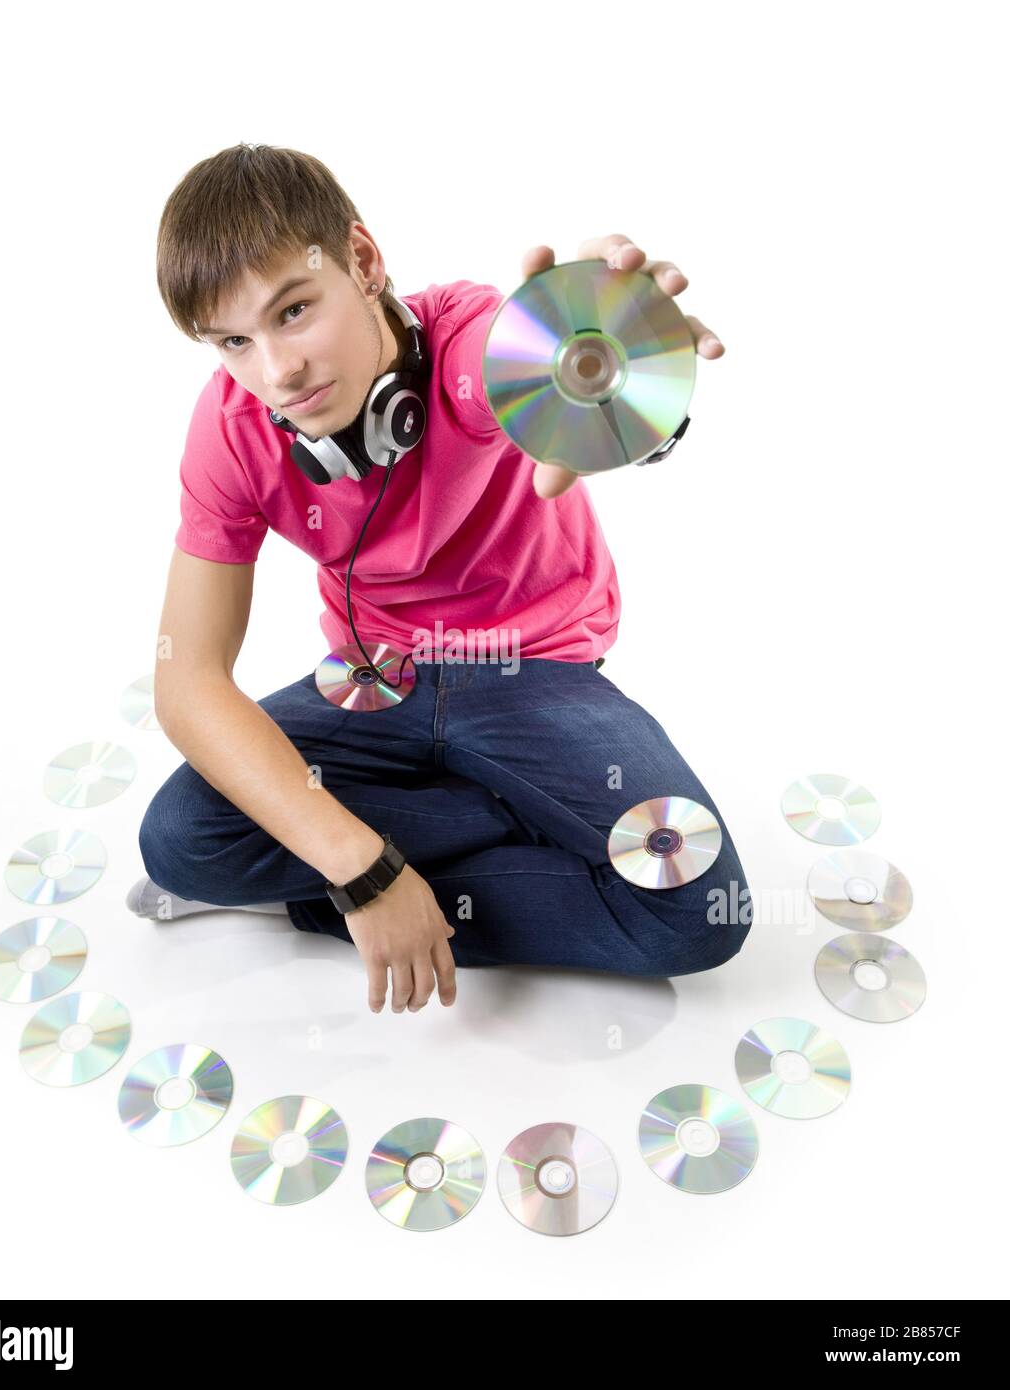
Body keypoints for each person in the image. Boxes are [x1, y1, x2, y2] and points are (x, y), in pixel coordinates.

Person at [131, 142, 752, 1015]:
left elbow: (552, 358)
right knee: (180, 837)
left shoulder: (472, 346)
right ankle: (476, 836)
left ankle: (315, 894)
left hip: (532, 672)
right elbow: (187, 683)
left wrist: (614, 337)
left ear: (363, 260)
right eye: (234, 340)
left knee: (698, 909)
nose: (277, 372)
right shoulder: (233, 427)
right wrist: (367, 872)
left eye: (295, 310)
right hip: (370, 687)